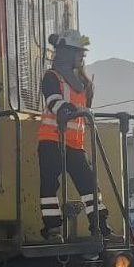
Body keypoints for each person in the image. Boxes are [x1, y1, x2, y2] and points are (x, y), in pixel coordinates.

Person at [37, 30, 111, 242]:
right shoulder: (52, 77)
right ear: (66, 52)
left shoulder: (84, 83)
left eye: (83, 53)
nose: (83, 56)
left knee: (89, 187)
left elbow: (85, 109)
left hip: (75, 145)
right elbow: (53, 100)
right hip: (51, 140)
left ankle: (101, 227)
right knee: (50, 186)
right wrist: (64, 109)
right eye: (79, 52)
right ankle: (52, 230)